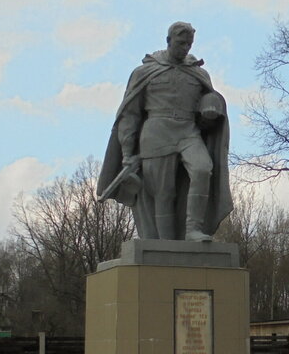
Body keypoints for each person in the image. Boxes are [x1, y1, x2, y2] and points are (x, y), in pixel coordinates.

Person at [97, 22, 232, 241]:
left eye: (189, 44)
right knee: (163, 192)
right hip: (156, 132)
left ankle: (193, 230)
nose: (185, 48)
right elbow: (130, 114)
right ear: (169, 41)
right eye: (181, 43)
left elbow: (207, 114)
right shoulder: (144, 72)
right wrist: (127, 153)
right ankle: (165, 243)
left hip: (188, 130)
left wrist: (211, 111)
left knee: (202, 168)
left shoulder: (198, 73)